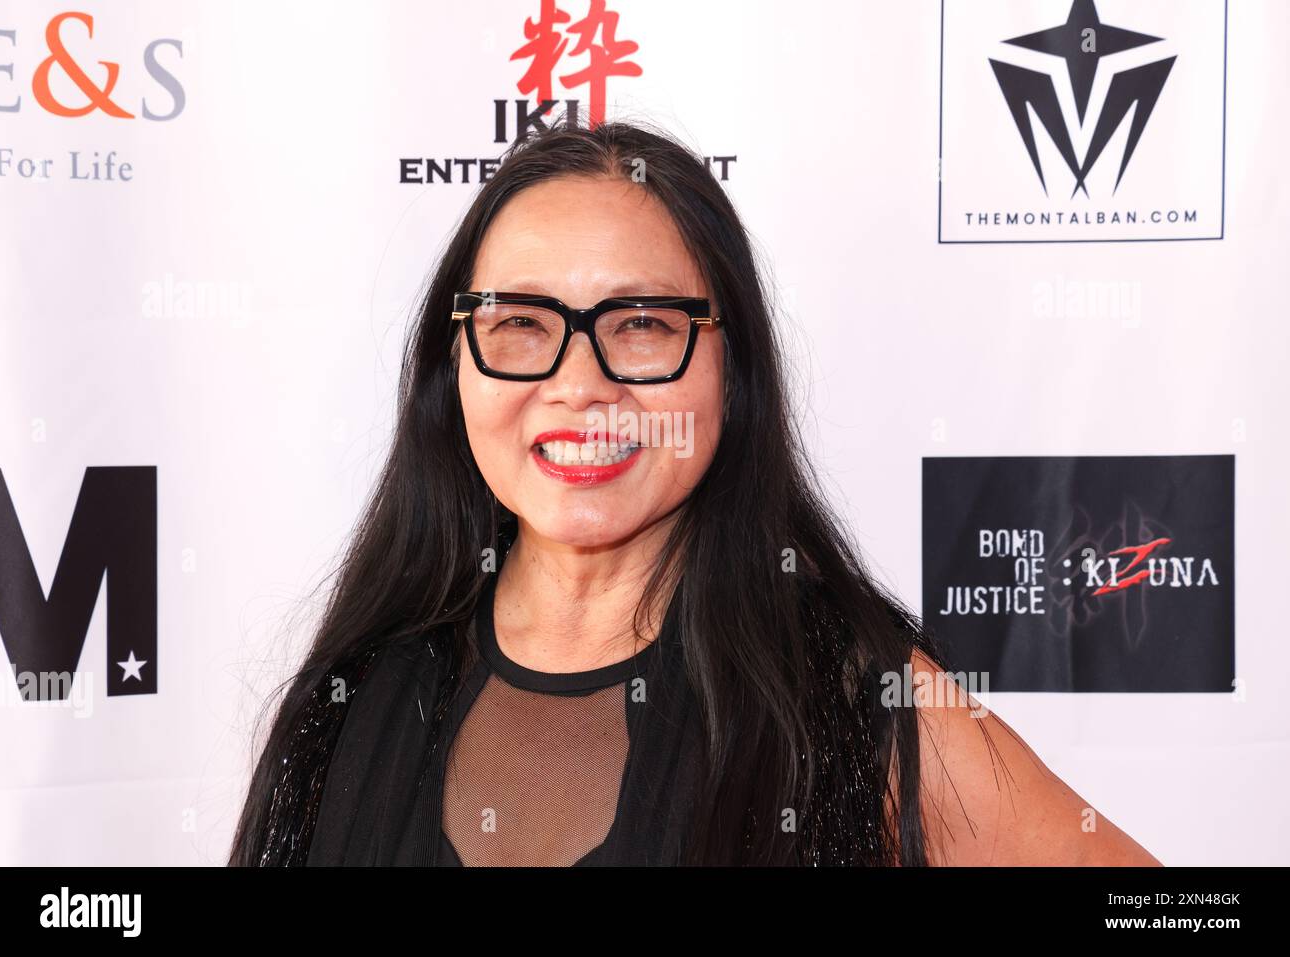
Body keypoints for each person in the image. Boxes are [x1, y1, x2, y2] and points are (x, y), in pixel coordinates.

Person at [229, 115, 1161, 867]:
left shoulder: (852, 699)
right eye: (520, 322)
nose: (579, 386)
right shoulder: (356, 689)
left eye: (640, 324)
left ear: (732, 366)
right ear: (456, 365)